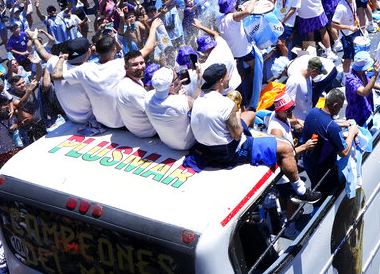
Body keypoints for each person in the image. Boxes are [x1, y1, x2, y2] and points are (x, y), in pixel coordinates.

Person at [188, 64, 317, 203]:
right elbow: (237, 134)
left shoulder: (198, 99)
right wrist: (236, 114)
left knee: (250, 114)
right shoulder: (225, 104)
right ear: (220, 81)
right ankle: (301, 191)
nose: (229, 79)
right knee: (286, 148)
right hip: (229, 152)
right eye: (227, 77)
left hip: (207, 147)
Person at [298, 88, 353, 194]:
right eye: (340, 107)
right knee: (326, 194)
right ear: (335, 105)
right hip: (323, 170)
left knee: (315, 186)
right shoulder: (331, 127)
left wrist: (341, 124)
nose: (340, 109)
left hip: (309, 163)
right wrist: (352, 133)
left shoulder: (313, 112)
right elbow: (344, 152)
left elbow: (321, 126)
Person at [144, 67, 196, 151]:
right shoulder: (182, 101)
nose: (179, 78)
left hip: (167, 143)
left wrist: (176, 95)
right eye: (177, 77)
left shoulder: (147, 98)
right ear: (171, 85)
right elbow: (199, 106)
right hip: (188, 143)